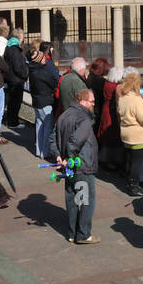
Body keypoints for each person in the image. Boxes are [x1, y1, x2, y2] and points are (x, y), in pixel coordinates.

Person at [53, 87, 100, 243]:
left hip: (69, 166)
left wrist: (58, 155)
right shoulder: (84, 119)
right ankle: (83, 234)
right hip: (81, 166)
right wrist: (69, 156)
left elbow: (52, 138)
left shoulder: (64, 115)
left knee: (72, 198)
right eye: (91, 102)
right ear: (83, 100)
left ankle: (72, 233)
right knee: (86, 199)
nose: (93, 105)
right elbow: (76, 141)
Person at [118, 70, 143, 196]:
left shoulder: (123, 97)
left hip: (126, 133)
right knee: (138, 162)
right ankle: (134, 186)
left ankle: (130, 183)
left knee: (130, 160)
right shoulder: (137, 99)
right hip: (138, 135)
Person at [28, 42, 60, 158]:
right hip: (45, 102)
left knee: (39, 125)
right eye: (42, 59)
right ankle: (45, 152)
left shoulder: (32, 70)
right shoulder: (42, 73)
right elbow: (54, 83)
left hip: (36, 101)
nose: (44, 60)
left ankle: (38, 150)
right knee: (47, 127)